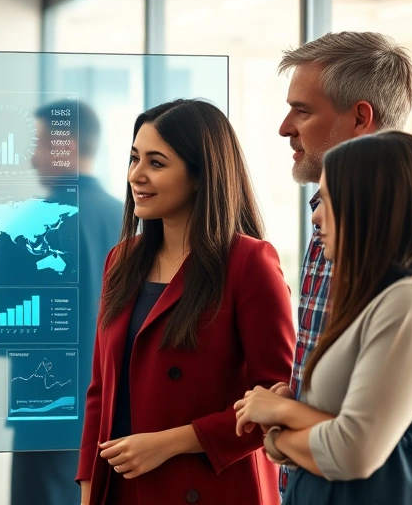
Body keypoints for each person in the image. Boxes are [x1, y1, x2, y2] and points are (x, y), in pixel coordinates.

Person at [77, 99, 296, 504]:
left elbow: (277, 399)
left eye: (156, 163)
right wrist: (89, 490)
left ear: (200, 175)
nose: (135, 175)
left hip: (213, 487)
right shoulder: (121, 258)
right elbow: (100, 390)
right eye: (133, 158)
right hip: (123, 486)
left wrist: (172, 442)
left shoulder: (249, 262)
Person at [235, 131, 412, 504]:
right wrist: (296, 410)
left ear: (373, 207)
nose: (316, 216)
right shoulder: (378, 296)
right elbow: (352, 426)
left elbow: (354, 449)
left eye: (330, 200)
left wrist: (279, 427)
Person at [275, 31, 412, 494]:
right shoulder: (325, 214)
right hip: (311, 482)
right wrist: (293, 401)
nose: (284, 128)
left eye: (303, 110)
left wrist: (280, 427)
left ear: (360, 118)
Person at [0, 100, 123, 505]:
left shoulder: (25, 227)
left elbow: (8, 334)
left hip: (47, 416)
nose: (31, 157)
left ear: (63, 146)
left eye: (37, 142)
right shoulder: (131, 220)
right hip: (117, 415)